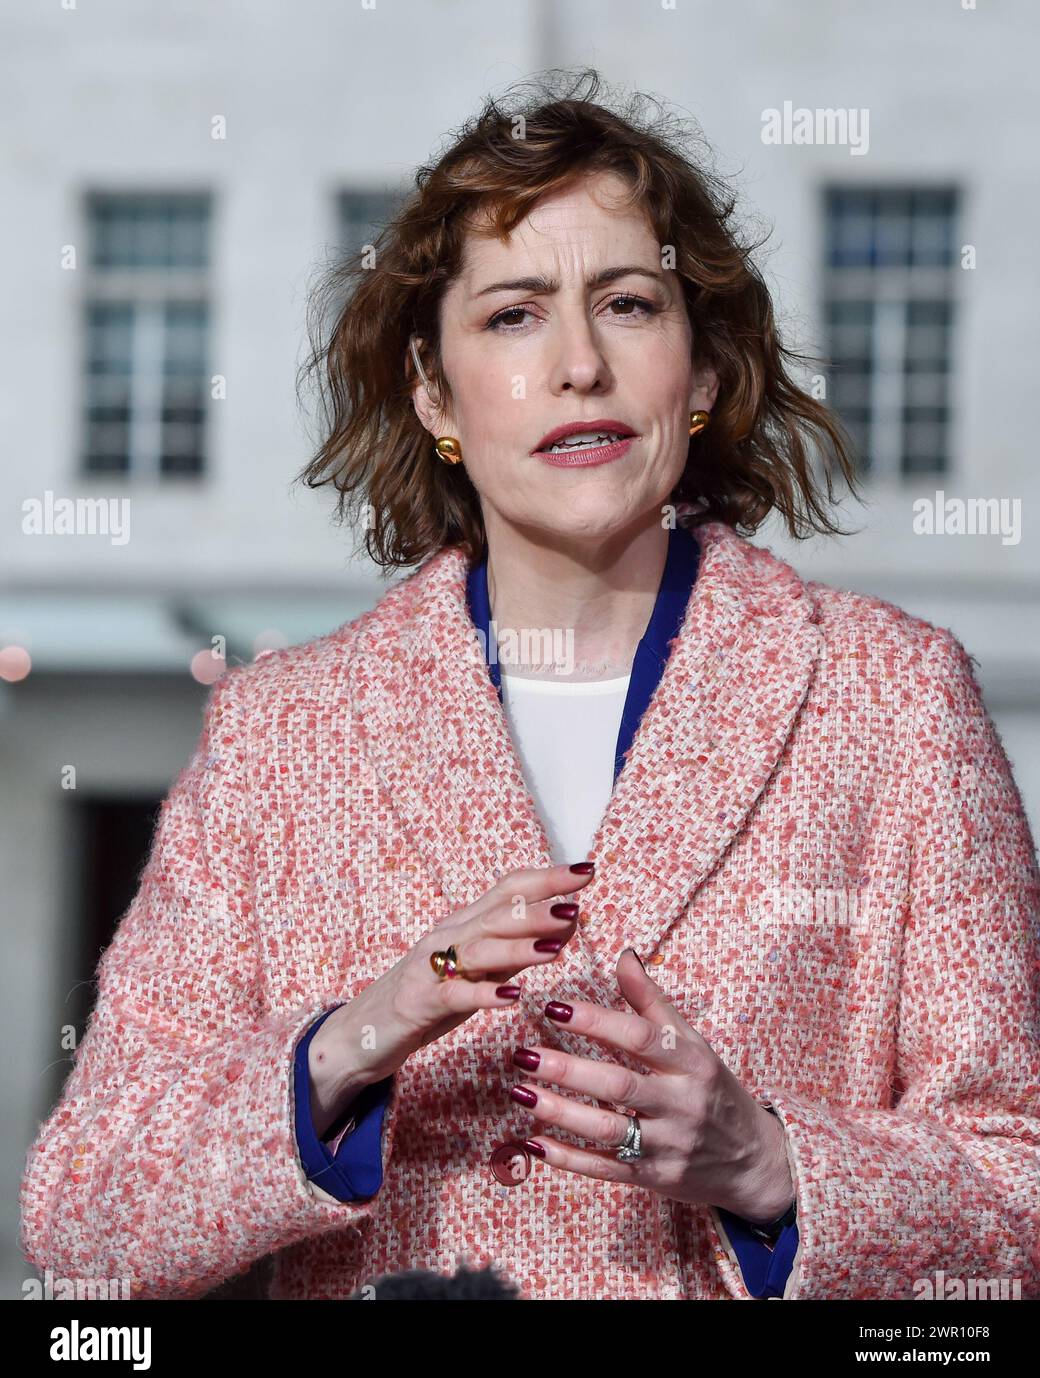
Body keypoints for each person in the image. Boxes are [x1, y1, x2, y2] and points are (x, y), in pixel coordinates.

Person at [20, 71, 1040, 1301]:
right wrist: (355, 1039)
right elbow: (80, 1218)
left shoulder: (893, 701)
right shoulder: (278, 735)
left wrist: (768, 1165)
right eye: (512, 314)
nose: (577, 366)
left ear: (702, 375)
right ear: (433, 393)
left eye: (627, 303)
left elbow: (1015, 1183)